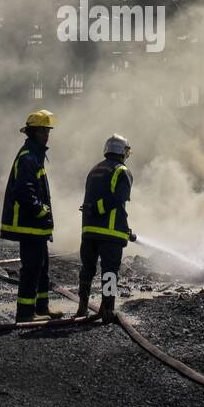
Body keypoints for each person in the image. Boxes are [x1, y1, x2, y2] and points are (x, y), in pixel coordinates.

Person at [0, 110, 63, 322]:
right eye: (44, 130)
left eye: (48, 130)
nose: (47, 134)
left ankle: (42, 309)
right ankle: (26, 313)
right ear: (33, 131)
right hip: (29, 226)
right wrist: (40, 210)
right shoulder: (28, 157)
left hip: (37, 227)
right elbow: (23, 191)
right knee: (31, 269)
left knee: (42, 268)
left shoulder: (35, 155)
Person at [77, 134, 136, 323]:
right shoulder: (122, 171)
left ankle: (82, 308)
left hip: (89, 231)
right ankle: (108, 310)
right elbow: (118, 200)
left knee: (87, 269)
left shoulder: (94, 170)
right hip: (110, 233)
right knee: (110, 272)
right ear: (121, 151)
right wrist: (100, 210)